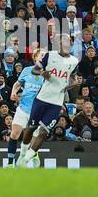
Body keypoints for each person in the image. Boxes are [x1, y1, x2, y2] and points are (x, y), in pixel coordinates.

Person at [25, 33, 81, 166]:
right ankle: (23, 150)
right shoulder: (49, 55)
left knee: (44, 131)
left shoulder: (74, 61)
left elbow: (72, 76)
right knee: (31, 128)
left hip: (56, 102)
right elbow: (35, 70)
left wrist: (73, 83)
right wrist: (42, 73)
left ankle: (26, 158)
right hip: (42, 97)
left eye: (68, 42)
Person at [6, 44, 45, 168]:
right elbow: (18, 84)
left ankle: (34, 154)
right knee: (15, 133)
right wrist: (13, 92)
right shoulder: (27, 70)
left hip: (38, 110)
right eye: (41, 55)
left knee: (33, 136)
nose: (44, 57)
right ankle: (10, 163)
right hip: (23, 108)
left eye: (45, 56)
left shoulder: (49, 74)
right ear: (35, 57)